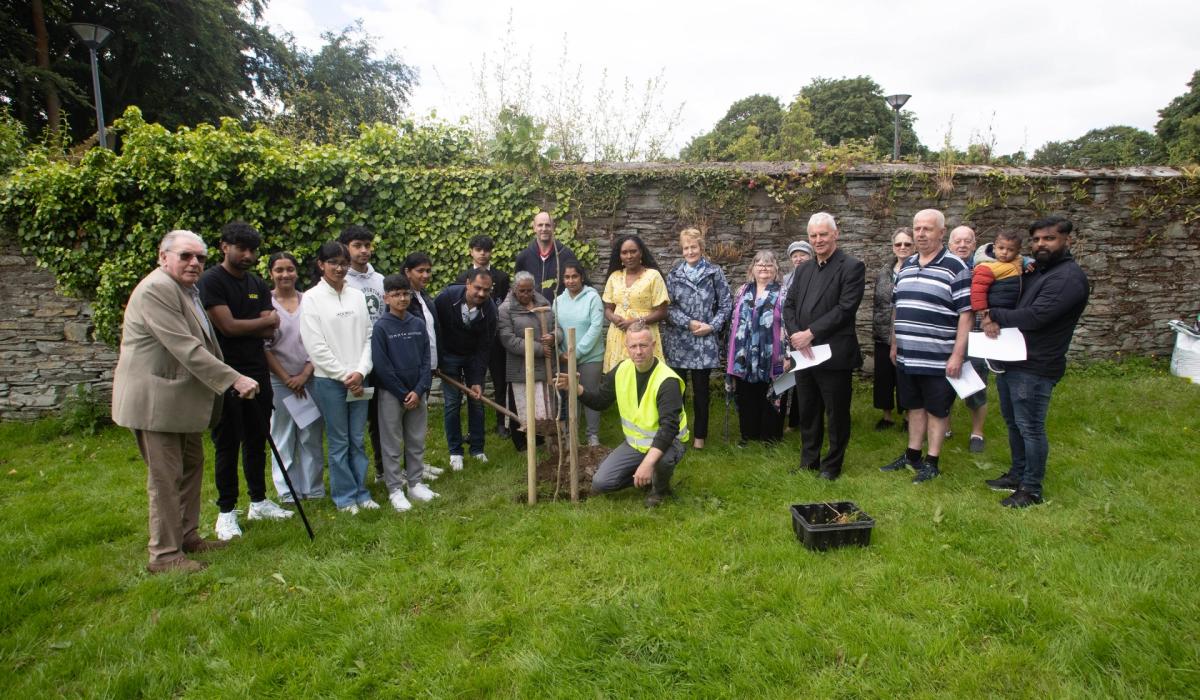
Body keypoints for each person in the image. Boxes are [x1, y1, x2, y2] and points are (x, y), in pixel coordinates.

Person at [112, 229, 258, 573]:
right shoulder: (157, 289)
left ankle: (187, 536)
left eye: (200, 258)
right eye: (185, 256)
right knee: (165, 478)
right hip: (155, 401)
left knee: (191, 465)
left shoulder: (186, 289)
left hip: (179, 401)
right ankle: (164, 555)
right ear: (163, 257)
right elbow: (185, 347)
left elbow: (205, 344)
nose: (194, 263)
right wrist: (233, 378)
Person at [982, 217, 1089, 507]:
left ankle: (1031, 489)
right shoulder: (1037, 270)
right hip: (1013, 359)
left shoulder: (1067, 278)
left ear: (1067, 240)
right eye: (1036, 239)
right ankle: (1017, 474)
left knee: (1030, 426)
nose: (1041, 244)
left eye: (1049, 238)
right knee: (1014, 423)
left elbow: (1036, 317)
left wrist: (994, 314)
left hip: (1037, 365)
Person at [197, 221, 291, 541]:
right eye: (241, 249)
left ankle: (259, 501)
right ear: (224, 247)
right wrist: (260, 323)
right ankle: (226, 512)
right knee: (227, 442)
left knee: (257, 438)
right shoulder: (212, 281)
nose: (248, 255)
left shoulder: (257, 283)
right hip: (226, 372)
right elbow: (227, 327)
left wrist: (256, 324)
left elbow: (271, 327)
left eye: (252, 250)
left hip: (258, 370)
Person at [881, 209, 972, 483]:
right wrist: (894, 343)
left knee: (937, 409)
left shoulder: (956, 267)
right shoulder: (907, 265)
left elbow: (966, 314)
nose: (920, 234)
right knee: (914, 407)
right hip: (908, 355)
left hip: (939, 357)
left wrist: (957, 355)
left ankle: (932, 462)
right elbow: (898, 307)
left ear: (942, 232)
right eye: (917, 228)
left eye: (927, 229)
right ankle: (912, 454)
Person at [555, 321, 688, 508]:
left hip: (669, 443)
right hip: (636, 443)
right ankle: (647, 477)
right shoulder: (622, 370)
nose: (638, 352)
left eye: (643, 345)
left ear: (653, 345)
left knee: (663, 461)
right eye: (633, 346)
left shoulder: (667, 380)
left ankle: (659, 490)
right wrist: (577, 389)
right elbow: (601, 400)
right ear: (627, 347)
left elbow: (669, 428)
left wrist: (648, 463)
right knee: (601, 483)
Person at [783, 212, 866, 480]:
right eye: (813, 236)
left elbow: (845, 308)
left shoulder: (852, 267)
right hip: (804, 353)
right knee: (808, 409)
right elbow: (789, 305)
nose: (818, 240)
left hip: (833, 353)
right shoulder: (803, 269)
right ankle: (809, 461)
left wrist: (811, 333)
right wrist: (796, 335)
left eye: (823, 234)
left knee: (836, 412)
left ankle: (832, 466)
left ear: (835, 234)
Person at [299, 241, 378, 514]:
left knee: (357, 438)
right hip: (330, 381)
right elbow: (315, 346)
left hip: (359, 378)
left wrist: (361, 372)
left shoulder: (356, 295)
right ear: (321, 265)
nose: (339, 268)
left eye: (343, 263)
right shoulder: (311, 298)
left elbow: (369, 336)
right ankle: (345, 497)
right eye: (333, 262)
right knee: (339, 441)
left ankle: (362, 492)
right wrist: (345, 375)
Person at [372, 274, 439, 512]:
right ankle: (394, 489)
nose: (402, 299)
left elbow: (426, 360)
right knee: (391, 442)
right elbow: (382, 366)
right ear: (386, 298)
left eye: (405, 294)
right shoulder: (381, 327)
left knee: (416, 439)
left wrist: (419, 390)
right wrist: (402, 393)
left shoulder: (417, 324)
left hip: (417, 392)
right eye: (396, 295)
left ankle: (415, 483)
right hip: (392, 394)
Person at [662, 227, 733, 450]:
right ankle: (678, 433)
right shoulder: (674, 274)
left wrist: (712, 326)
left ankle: (700, 436)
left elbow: (726, 304)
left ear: (701, 248)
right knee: (677, 391)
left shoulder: (714, 272)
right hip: (679, 342)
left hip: (704, 342)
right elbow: (668, 307)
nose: (690, 251)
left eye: (693, 247)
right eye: (686, 248)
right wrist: (689, 322)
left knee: (702, 391)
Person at [263, 252, 324, 503]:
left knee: (310, 434)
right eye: (279, 270)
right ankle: (288, 491)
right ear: (271, 273)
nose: (285, 274)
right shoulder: (266, 303)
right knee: (283, 436)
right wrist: (287, 378)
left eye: (290, 269)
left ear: (297, 272)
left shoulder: (308, 301)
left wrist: (305, 373)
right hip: (280, 381)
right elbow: (263, 347)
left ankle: (314, 488)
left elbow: (320, 338)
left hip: (310, 377)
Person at [433, 268, 498, 470]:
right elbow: (434, 329)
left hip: (473, 357)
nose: (481, 293)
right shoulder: (446, 298)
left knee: (477, 401)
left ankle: (477, 449)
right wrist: (438, 361)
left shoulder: (490, 309)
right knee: (452, 403)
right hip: (449, 355)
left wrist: (477, 379)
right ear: (468, 283)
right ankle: (455, 452)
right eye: (477, 288)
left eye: (486, 290)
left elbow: (485, 346)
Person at [338, 225, 387, 481]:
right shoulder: (341, 281)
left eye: (367, 245)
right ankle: (351, 476)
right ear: (346, 248)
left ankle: (383, 469)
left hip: (381, 356)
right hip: (354, 360)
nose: (364, 250)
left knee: (381, 417)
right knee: (353, 422)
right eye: (357, 246)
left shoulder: (380, 280)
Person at [725, 251, 788, 444]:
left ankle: (770, 437)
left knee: (773, 391)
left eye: (768, 264)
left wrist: (788, 353)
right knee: (746, 393)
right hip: (743, 352)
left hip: (773, 353)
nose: (764, 268)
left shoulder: (783, 292)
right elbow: (733, 320)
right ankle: (748, 434)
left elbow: (789, 322)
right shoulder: (742, 290)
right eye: (759, 264)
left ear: (776, 269)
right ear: (752, 268)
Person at [455, 235, 512, 439]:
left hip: (495, 339)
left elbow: (504, 307)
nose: (482, 253)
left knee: (500, 382)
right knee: (473, 384)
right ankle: (474, 428)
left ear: (491, 253)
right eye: (478, 249)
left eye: (486, 250)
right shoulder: (463, 277)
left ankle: (502, 423)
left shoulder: (502, 277)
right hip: (472, 340)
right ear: (471, 251)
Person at [498, 271, 558, 450]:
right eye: (522, 291)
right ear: (514, 289)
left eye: (529, 290)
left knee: (545, 403)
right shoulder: (506, 309)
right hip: (521, 366)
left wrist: (554, 337)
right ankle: (523, 444)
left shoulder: (544, 303)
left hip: (545, 366)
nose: (526, 294)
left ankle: (544, 440)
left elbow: (558, 327)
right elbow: (508, 339)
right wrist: (539, 349)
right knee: (523, 405)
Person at [945, 225, 990, 452]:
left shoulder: (985, 268)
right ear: (949, 244)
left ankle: (977, 433)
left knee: (976, 387)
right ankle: (945, 428)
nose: (962, 245)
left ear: (974, 244)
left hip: (976, 336)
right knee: (943, 387)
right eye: (957, 241)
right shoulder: (943, 267)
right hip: (946, 335)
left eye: (967, 241)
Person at [553, 262, 605, 446]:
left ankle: (592, 436)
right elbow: (555, 328)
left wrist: (577, 352)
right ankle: (571, 436)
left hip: (590, 357)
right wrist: (561, 352)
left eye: (574, 276)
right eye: (566, 277)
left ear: (582, 277)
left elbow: (596, 327)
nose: (570, 281)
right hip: (566, 357)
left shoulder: (592, 297)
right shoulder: (558, 300)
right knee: (570, 397)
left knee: (590, 395)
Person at [403, 252, 444, 481]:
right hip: (413, 369)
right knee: (408, 421)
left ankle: (417, 463)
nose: (426, 275)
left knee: (419, 421)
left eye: (428, 270)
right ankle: (409, 467)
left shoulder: (424, 297)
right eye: (420, 271)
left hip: (429, 366)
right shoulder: (404, 300)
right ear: (407, 272)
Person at [602, 234, 670, 371]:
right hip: (618, 336)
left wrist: (636, 322)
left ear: (641, 253)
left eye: (633, 251)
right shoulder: (614, 277)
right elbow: (608, 308)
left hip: (643, 336)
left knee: (645, 374)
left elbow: (662, 312)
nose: (629, 256)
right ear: (619, 256)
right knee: (619, 375)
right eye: (624, 252)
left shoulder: (653, 276)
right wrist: (613, 317)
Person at [872, 228, 913, 431]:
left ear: (914, 246)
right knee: (884, 377)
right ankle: (886, 416)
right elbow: (877, 303)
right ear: (893, 246)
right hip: (882, 332)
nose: (902, 247)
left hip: (907, 334)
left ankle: (908, 416)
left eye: (907, 244)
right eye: (898, 244)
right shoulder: (884, 272)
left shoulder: (917, 269)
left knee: (906, 377)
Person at [780, 239, 815, 431]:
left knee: (804, 380)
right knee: (788, 378)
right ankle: (786, 419)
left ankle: (800, 421)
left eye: (803, 255)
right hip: (789, 333)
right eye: (795, 255)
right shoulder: (786, 279)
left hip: (809, 335)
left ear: (810, 256)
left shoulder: (816, 276)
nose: (799, 258)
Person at [514, 210, 579, 300]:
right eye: (540, 225)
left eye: (548, 225)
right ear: (534, 228)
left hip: (559, 307)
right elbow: (516, 288)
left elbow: (579, 284)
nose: (544, 229)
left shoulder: (566, 255)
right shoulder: (523, 257)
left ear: (554, 227)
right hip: (532, 308)